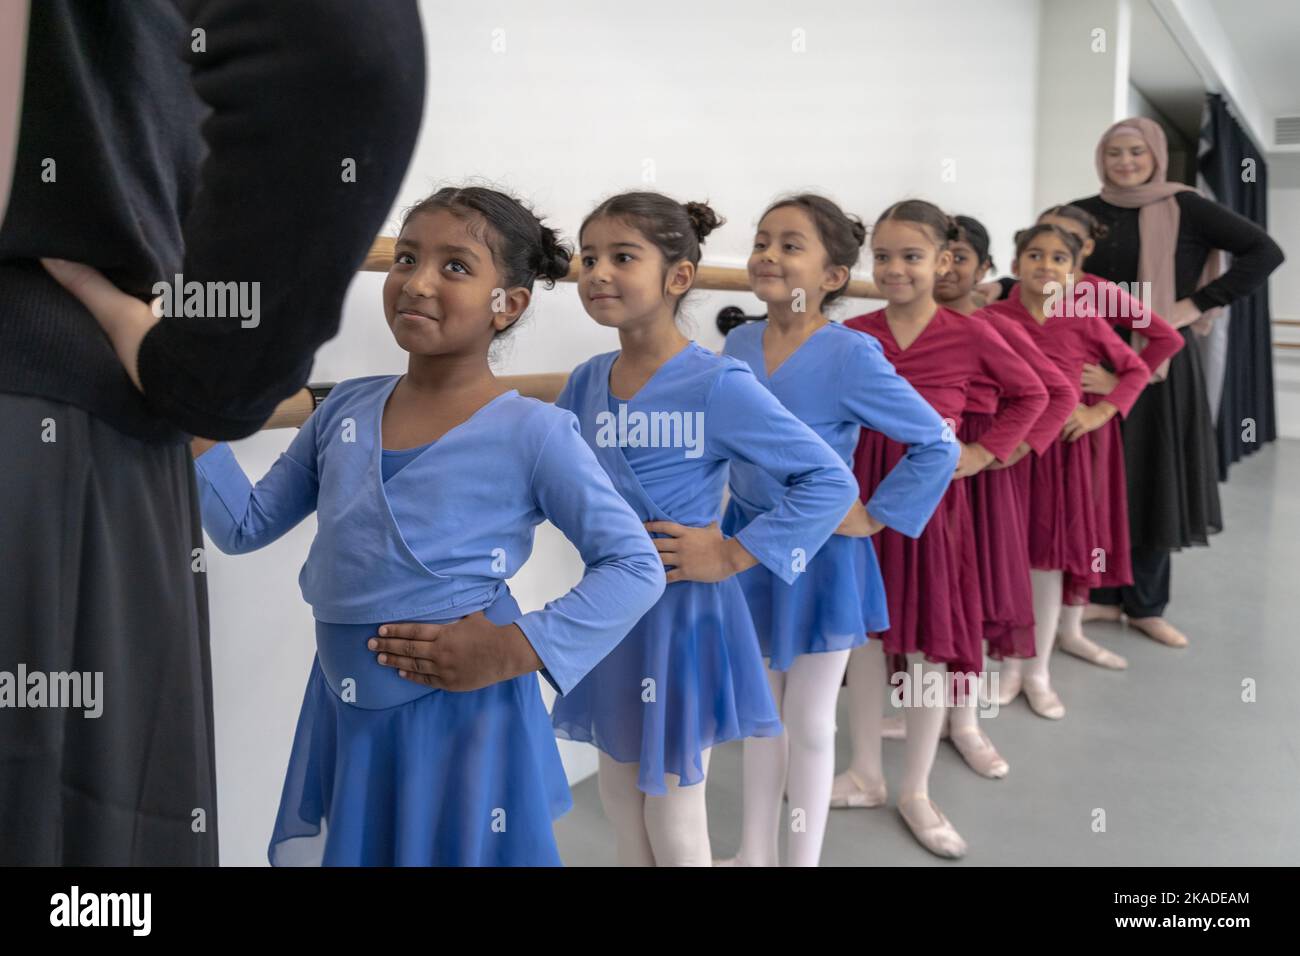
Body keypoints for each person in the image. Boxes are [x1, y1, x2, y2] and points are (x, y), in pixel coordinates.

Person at [3, 0, 425, 865]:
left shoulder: (536, 429)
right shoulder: (347, 416)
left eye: (454, 265)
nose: (415, 285)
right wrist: (200, 387)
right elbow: (245, 524)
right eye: (411, 258)